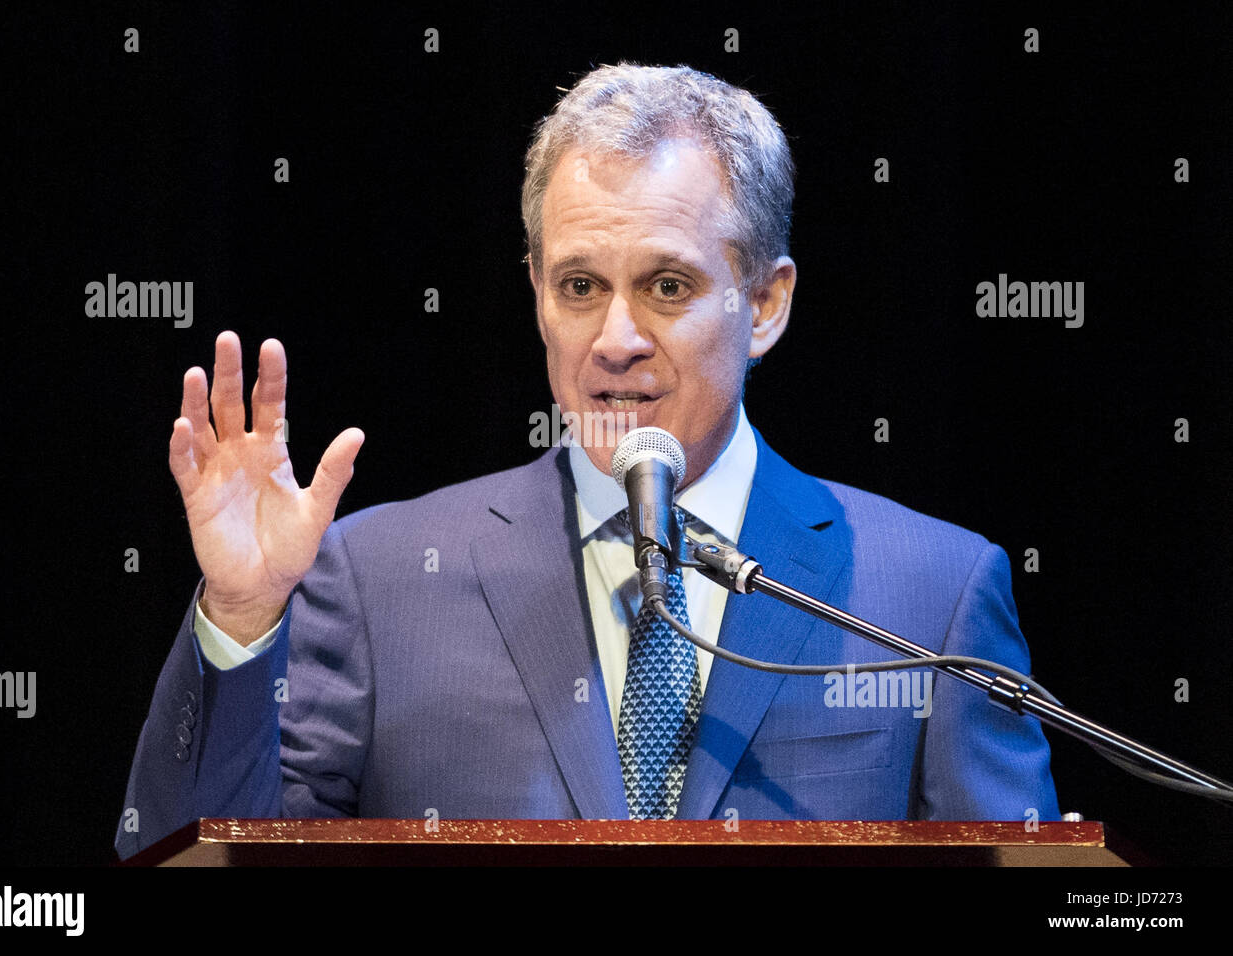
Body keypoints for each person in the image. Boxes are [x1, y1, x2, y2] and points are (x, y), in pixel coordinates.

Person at [115, 63, 1057, 860]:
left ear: (765, 304)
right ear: (535, 293)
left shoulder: (930, 592)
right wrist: (241, 619)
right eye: (579, 286)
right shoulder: (375, 579)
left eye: (667, 285)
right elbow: (193, 853)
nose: (616, 340)